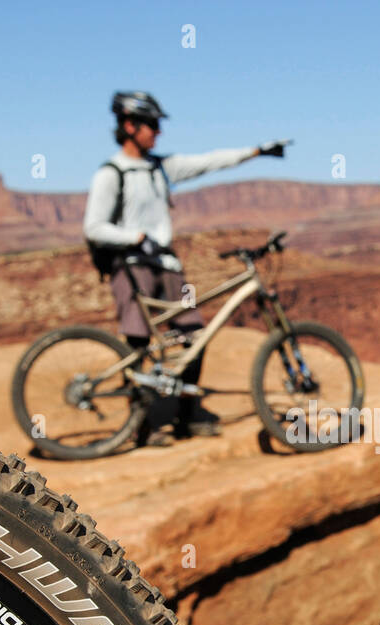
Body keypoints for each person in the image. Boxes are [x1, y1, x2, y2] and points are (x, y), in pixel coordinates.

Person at [83, 90, 289, 444]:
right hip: (132, 267)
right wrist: (135, 238)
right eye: (151, 125)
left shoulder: (161, 167)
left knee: (194, 335)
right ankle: (140, 427)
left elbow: (209, 161)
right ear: (129, 126)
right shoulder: (111, 174)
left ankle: (186, 414)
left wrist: (257, 151)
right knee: (138, 341)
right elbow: (93, 227)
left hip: (166, 264)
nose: (157, 132)